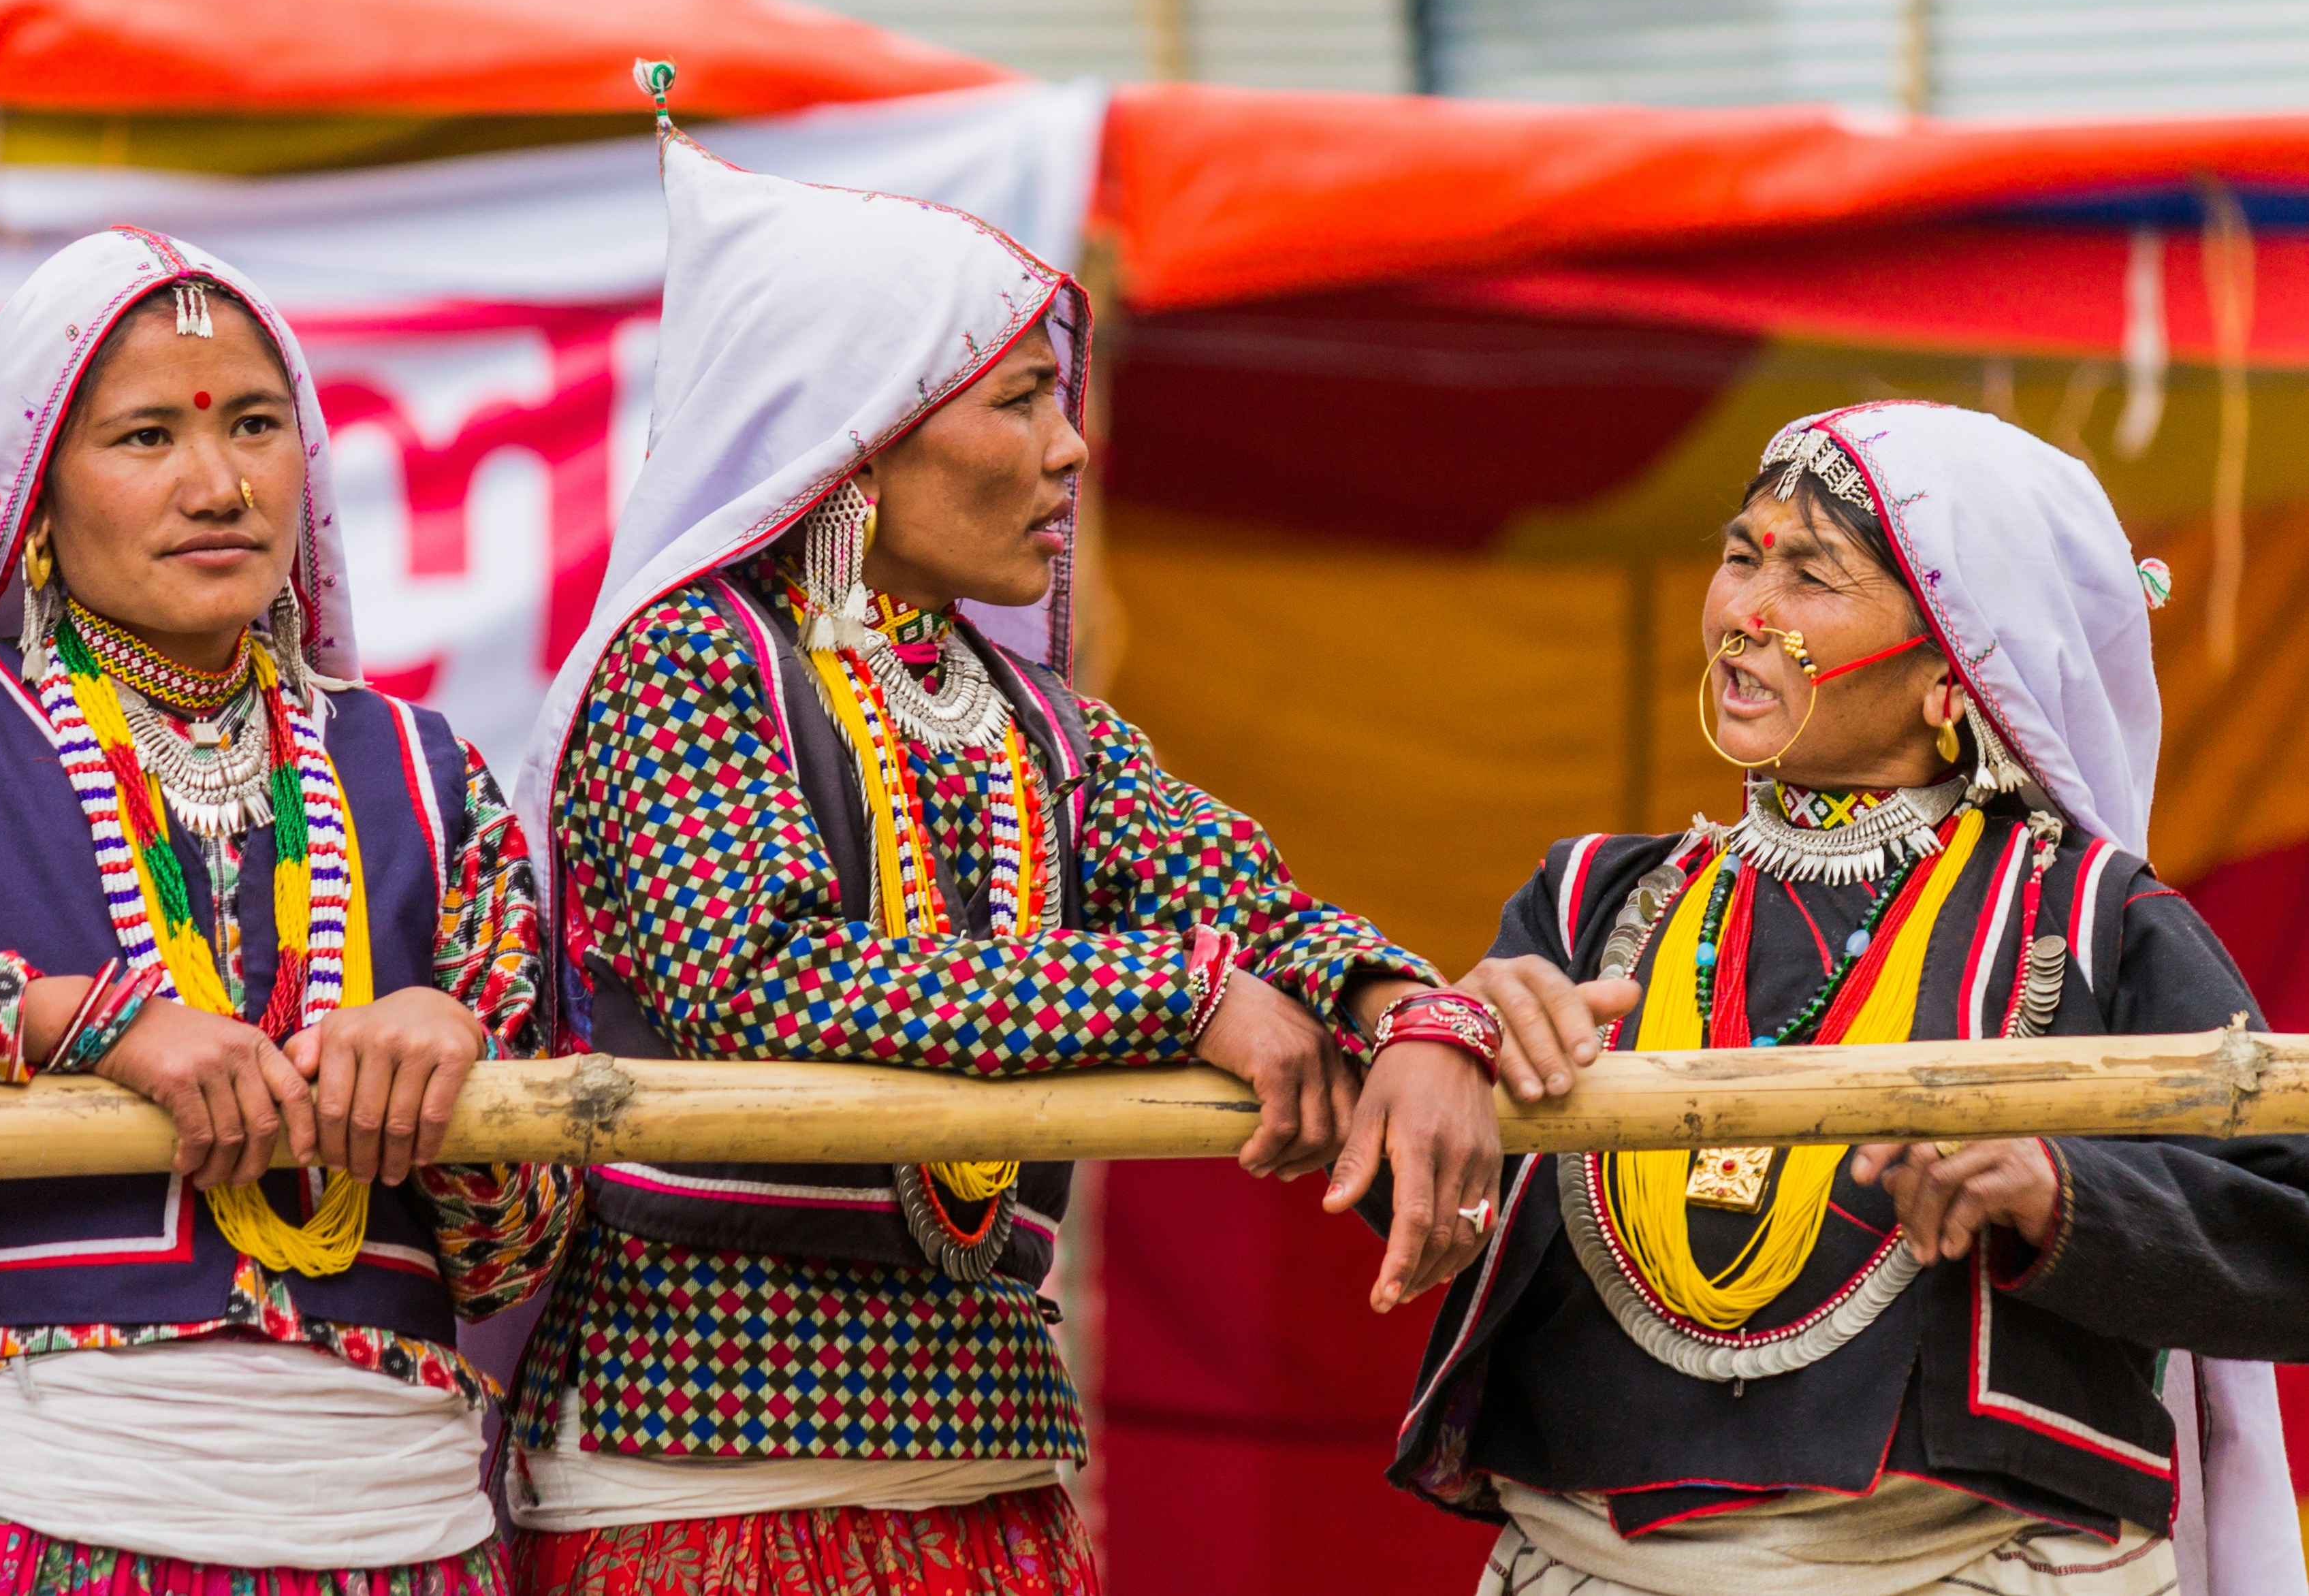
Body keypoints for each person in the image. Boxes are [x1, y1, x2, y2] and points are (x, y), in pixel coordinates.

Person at [496, 77, 1508, 1591]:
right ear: (864, 433)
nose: (1072, 453)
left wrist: (1405, 1013)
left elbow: (1250, 900)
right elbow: (766, 986)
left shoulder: (1042, 725)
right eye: (1019, 401)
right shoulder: (693, 663)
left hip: (991, 1472)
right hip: (698, 1478)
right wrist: (1183, 997)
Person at [0, 227, 572, 1595]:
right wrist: (64, 1019)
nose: (218, 483)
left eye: (257, 425)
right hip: (32, 1534)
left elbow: (508, 1255)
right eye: (144, 438)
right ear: (36, 492)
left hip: (399, 1545)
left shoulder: (426, 776)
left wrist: (454, 1062)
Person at [1337, 400, 2309, 1596]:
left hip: (1974, 1569)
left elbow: (2289, 1232)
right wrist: (1434, 1039)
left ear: (1953, 672)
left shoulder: (2092, 920)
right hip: (1586, 1565)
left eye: (1812, 577)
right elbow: (1426, 1207)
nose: (1746, 611)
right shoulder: (1588, 901)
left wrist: (2065, 1193)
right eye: (1743, 555)